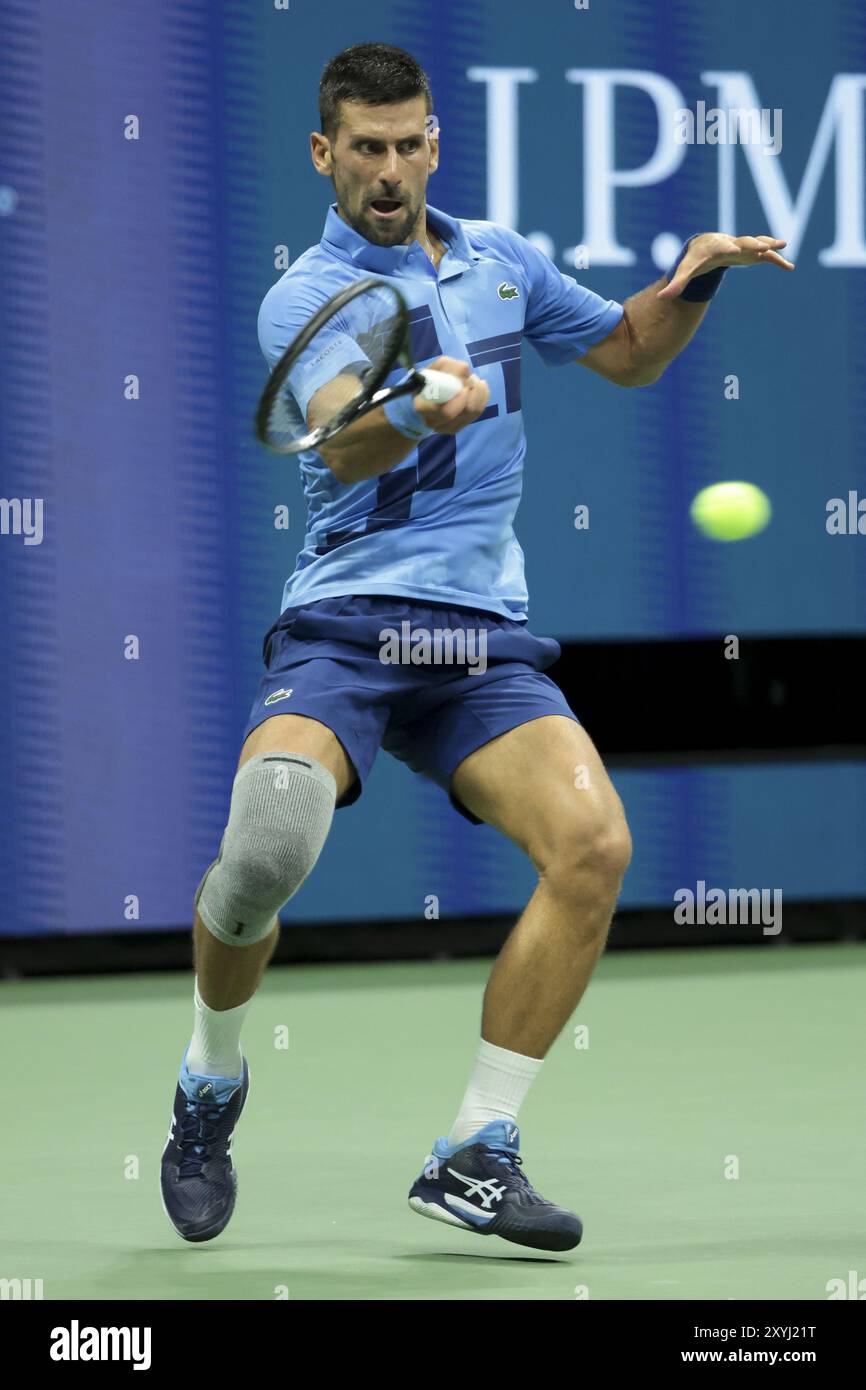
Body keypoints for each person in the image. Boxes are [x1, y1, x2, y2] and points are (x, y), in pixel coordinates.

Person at [160, 42, 794, 1251]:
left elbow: (622, 351)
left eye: (407, 145)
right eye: (364, 150)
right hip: (346, 623)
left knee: (592, 844)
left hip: (479, 640)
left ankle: (474, 1150)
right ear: (322, 153)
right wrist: (411, 404)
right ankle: (209, 1078)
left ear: (434, 142)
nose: (387, 171)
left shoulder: (498, 259)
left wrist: (694, 279)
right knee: (266, 844)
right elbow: (343, 443)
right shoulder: (307, 297)